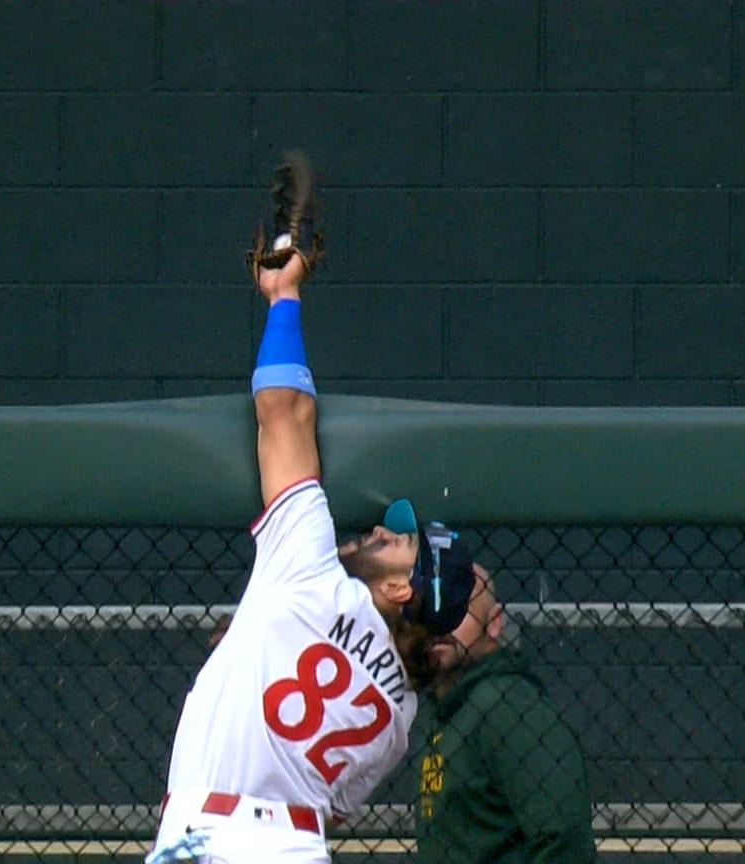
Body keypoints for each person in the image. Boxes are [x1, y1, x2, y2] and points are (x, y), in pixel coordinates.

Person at [148, 155, 478, 864]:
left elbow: (285, 414)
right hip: (293, 844)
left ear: (398, 591)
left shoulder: (311, 571)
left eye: (402, 546)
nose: (385, 531)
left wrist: (283, 297)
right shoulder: (399, 717)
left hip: (219, 839)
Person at [416, 563, 594, 863]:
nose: (440, 623)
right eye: (428, 609)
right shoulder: (451, 710)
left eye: (456, 608)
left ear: (494, 623)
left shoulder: (507, 704)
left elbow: (564, 834)